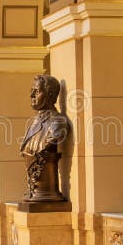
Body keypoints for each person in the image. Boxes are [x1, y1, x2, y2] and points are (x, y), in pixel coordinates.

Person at [20, 74, 70, 202]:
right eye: (32, 91)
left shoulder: (57, 122)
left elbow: (48, 143)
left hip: (47, 193)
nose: (31, 95)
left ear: (50, 94)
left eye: (36, 91)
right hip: (36, 192)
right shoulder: (33, 123)